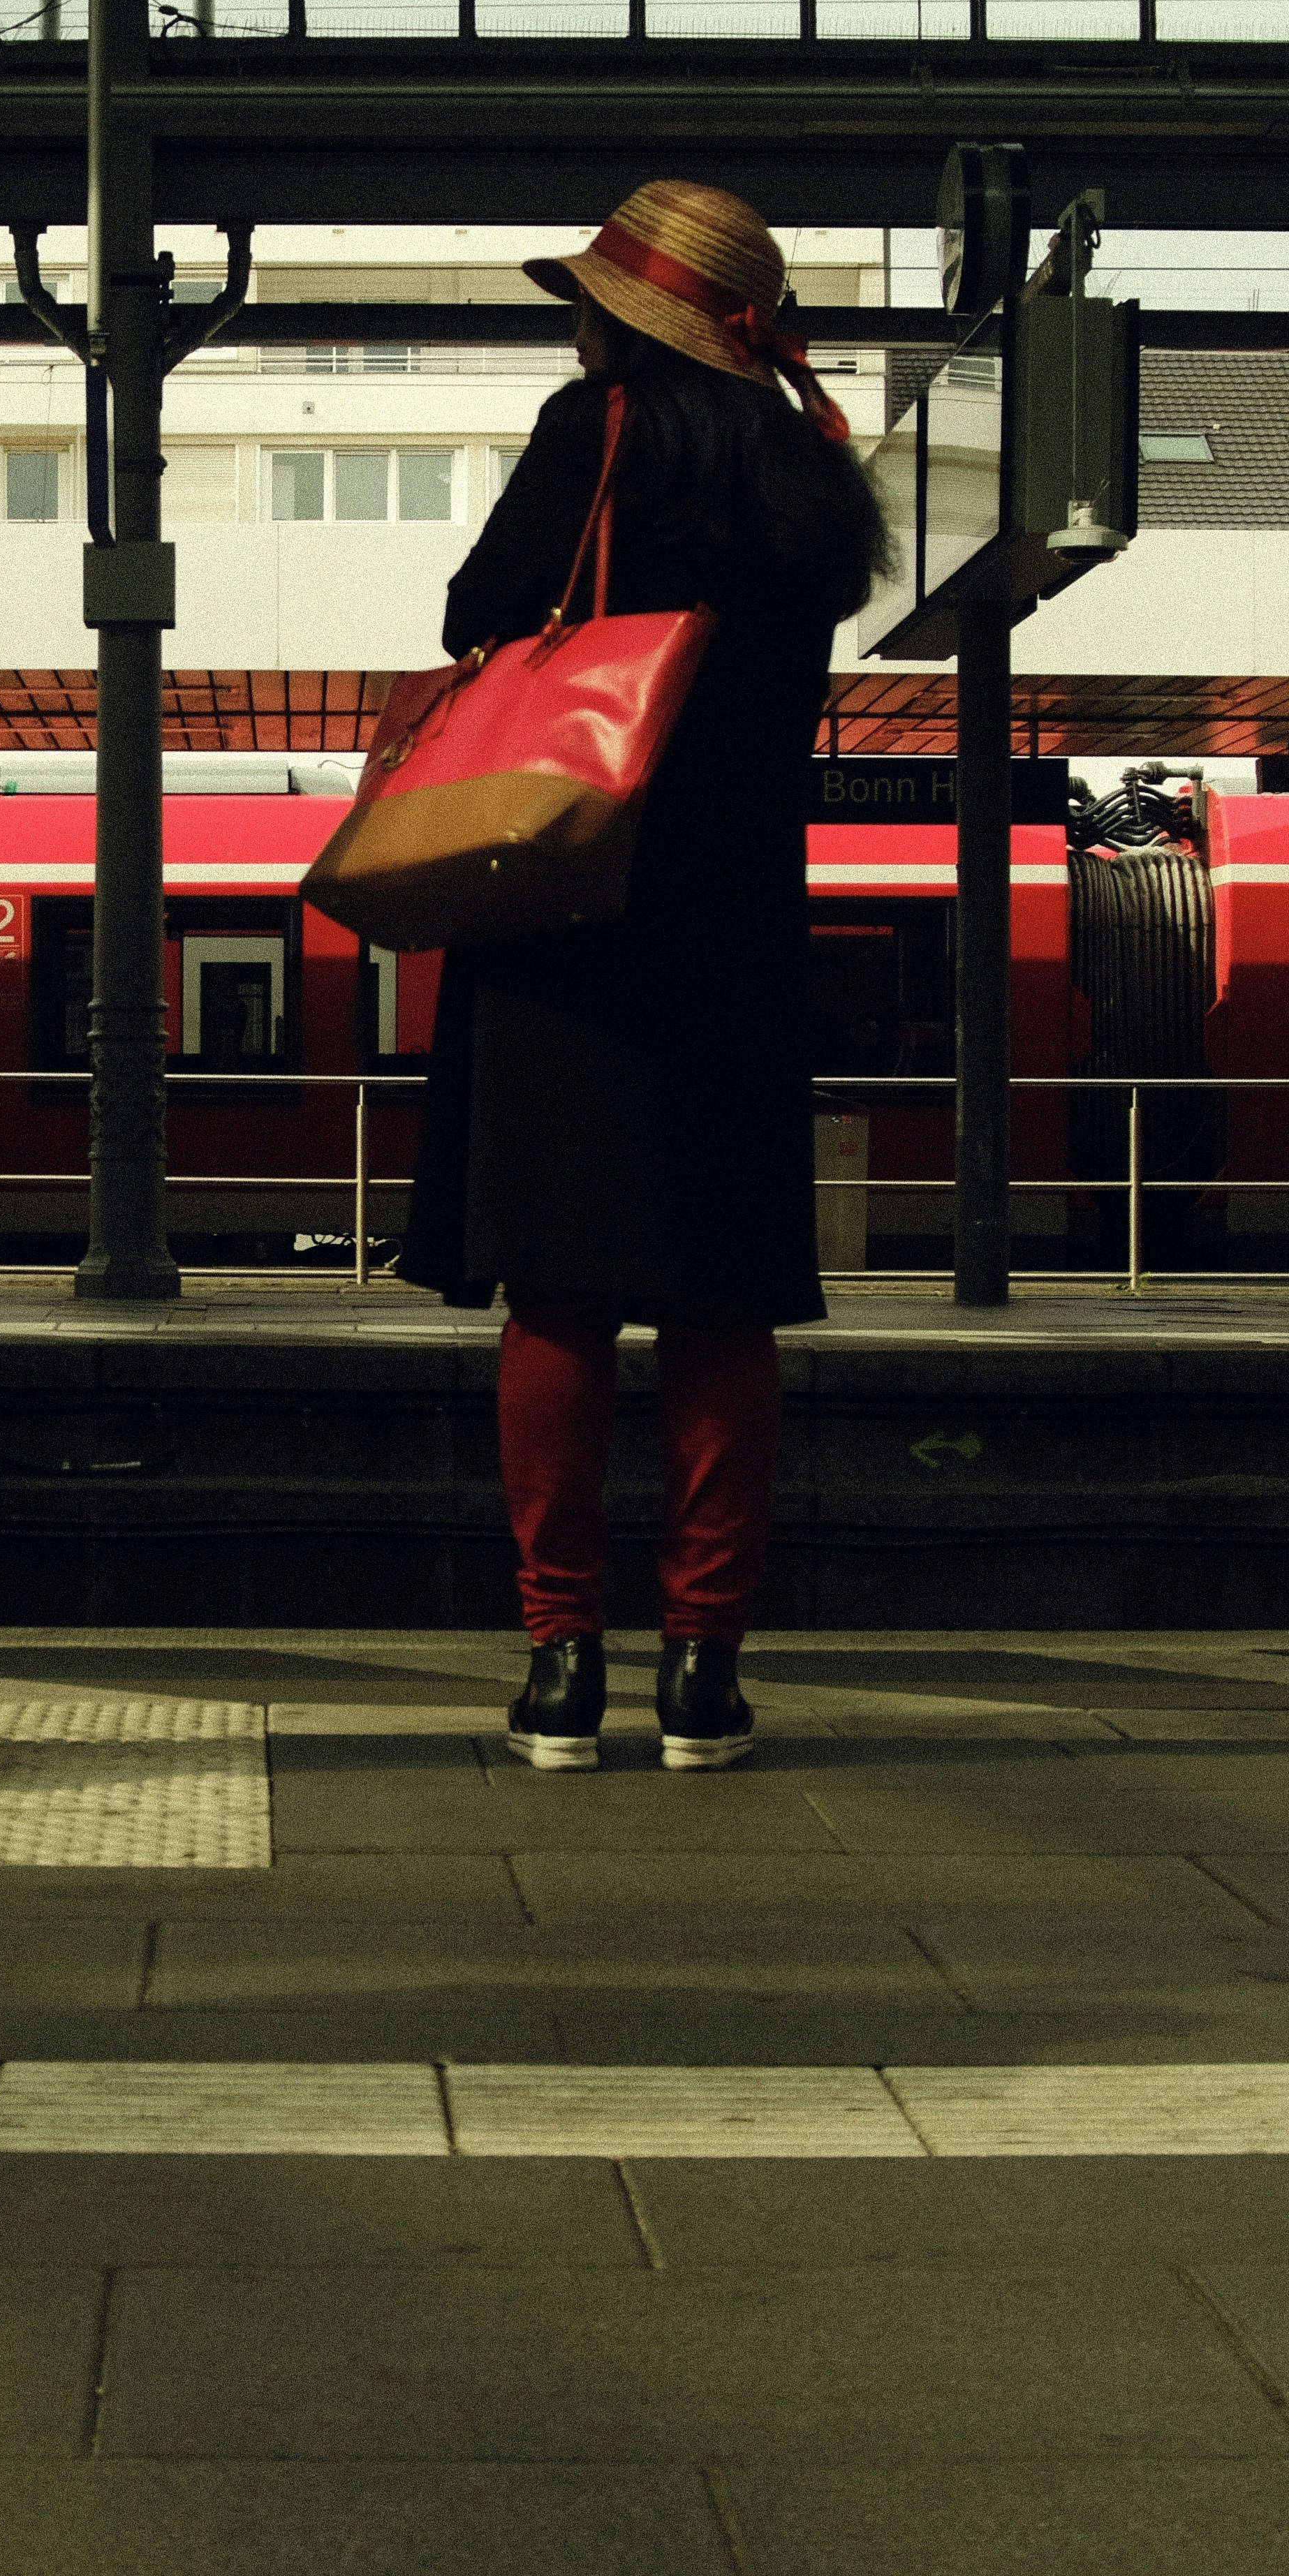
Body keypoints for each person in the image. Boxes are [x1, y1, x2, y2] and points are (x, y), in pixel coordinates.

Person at [402, 179, 888, 1774]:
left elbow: (484, 615)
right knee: (717, 1301)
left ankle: (558, 1666)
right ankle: (703, 1671)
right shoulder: (809, 475)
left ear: (621, 318)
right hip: (735, 922)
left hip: (565, 901)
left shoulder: (592, 431)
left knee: (555, 1296)